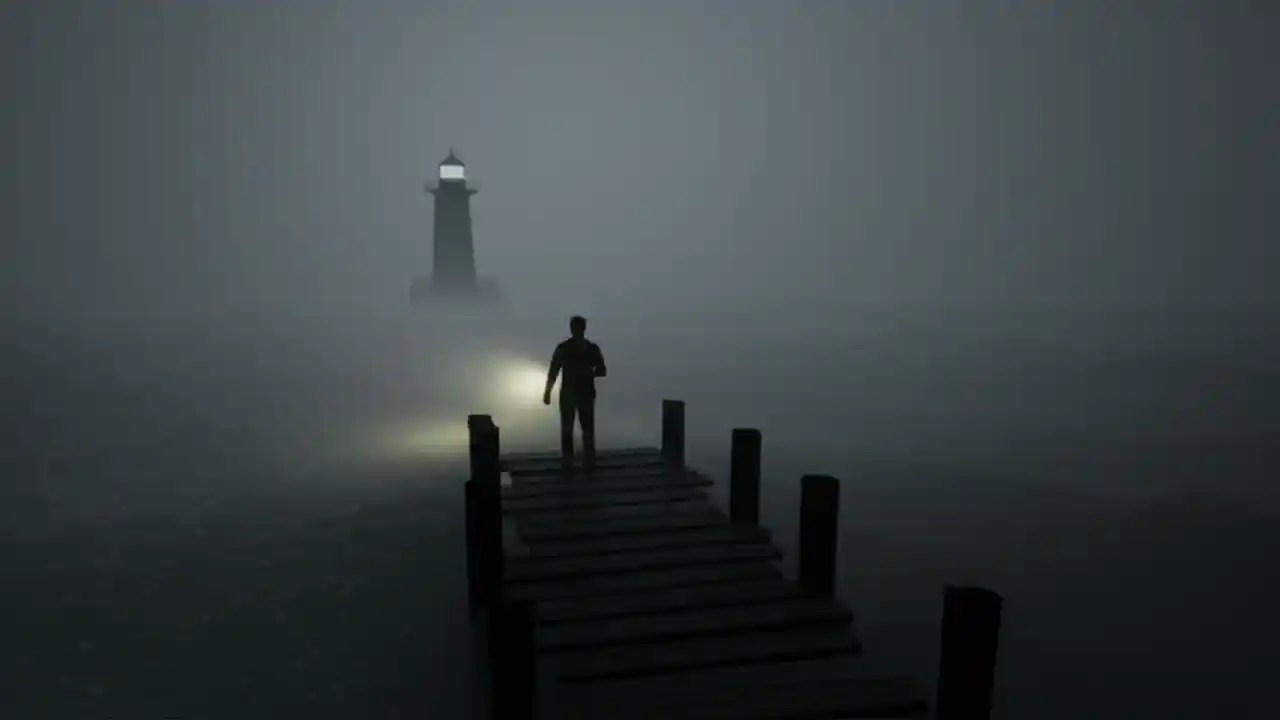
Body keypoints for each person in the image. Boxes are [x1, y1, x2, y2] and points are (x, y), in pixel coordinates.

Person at [543, 315, 607, 469]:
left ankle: (580, 462)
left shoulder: (575, 348)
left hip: (578, 394)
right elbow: (553, 371)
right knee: (574, 429)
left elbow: (602, 370)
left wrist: (547, 392)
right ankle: (574, 462)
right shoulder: (579, 348)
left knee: (583, 429)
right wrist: (547, 392)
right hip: (573, 394)